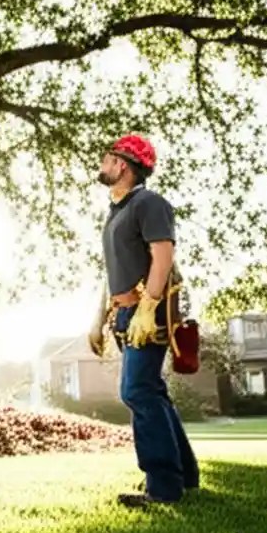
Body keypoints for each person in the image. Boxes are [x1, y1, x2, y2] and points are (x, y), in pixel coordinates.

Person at [87, 133, 199, 507]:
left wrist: (149, 308)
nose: (102, 164)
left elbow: (162, 254)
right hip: (124, 314)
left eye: (107, 158)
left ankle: (163, 489)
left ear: (122, 164)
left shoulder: (148, 202)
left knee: (136, 391)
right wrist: (96, 319)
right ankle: (186, 476)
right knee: (151, 390)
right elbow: (112, 270)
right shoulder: (116, 211)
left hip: (147, 310)